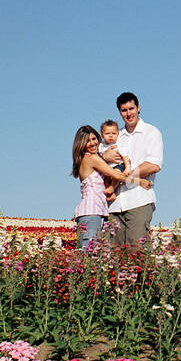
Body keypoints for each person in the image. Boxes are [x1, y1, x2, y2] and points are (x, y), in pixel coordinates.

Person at [71, 125, 149, 249]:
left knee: (88, 252)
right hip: (91, 211)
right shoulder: (91, 158)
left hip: (89, 212)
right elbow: (115, 174)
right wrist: (139, 181)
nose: (92, 143)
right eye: (87, 141)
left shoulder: (86, 159)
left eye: (94, 139)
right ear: (81, 144)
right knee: (89, 253)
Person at [106, 92, 163, 248]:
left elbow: (153, 165)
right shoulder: (117, 136)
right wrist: (105, 155)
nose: (128, 113)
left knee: (137, 252)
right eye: (124, 110)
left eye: (131, 108)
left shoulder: (151, 132)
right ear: (119, 112)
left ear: (138, 108)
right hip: (115, 204)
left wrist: (127, 176)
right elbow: (100, 158)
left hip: (139, 200)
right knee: (114, 257)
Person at [98, 119, 131, 204]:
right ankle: (110, 193)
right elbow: (97, 157)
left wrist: (127, 168)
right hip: (107, 167)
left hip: (118, 165)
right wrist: (103, 155)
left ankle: (112, 187)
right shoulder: (101, 146)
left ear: (118, 134)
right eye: (107, 134)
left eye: (113, 133)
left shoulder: (118, 145)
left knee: (116, 175)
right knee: (105, 178)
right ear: (102, 135)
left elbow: (125, 157)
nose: (110, 136)